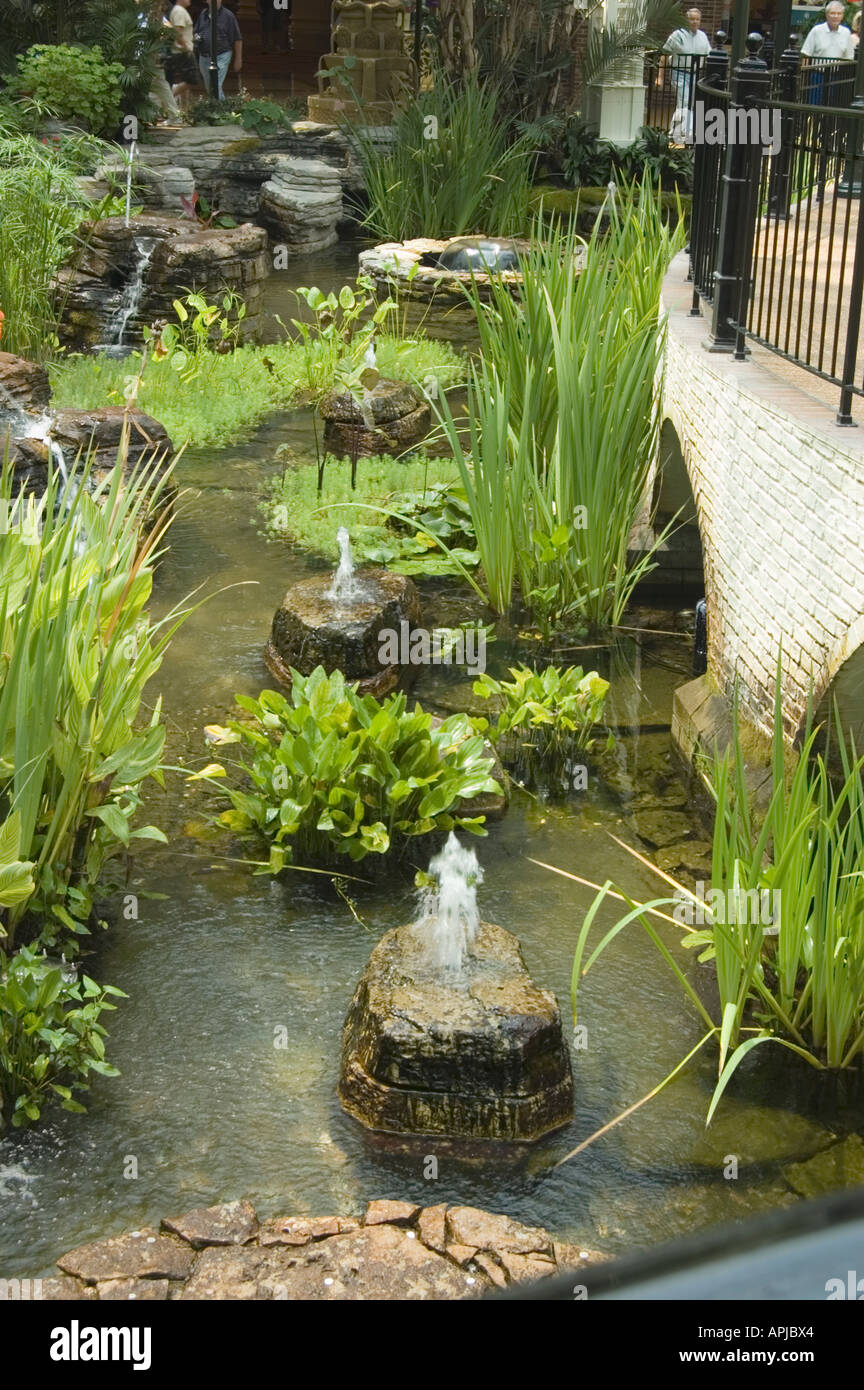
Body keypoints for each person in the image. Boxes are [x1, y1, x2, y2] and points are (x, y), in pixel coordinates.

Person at [657, 9, 711, 140]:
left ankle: (681, 132)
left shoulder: (703, 36)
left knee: (690, 103)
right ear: (686, 20)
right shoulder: (677, 35)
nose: (694, 22)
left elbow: (709, 55)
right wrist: (660, 77)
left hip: (695, 74)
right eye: (692, 19)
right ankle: (681, 133)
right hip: (679, 73)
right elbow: (664, 54)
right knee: (684, 102)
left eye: (697, 19)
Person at [195, 0, 243, 102]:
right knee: (210, 87)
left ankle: (222, 112)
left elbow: (237, 38)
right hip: (204, 56)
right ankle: (220, 110)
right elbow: (196, 32)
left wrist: (238, 59)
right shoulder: (203, 14)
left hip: (222, 54)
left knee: (215, 84)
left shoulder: (228, 16)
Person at [165, 0, 198, 110]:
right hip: (182, 52)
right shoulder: (179, 11)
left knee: (187, 79)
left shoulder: (179, 10)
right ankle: (168, 96)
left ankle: (183, 108)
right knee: (192, 80)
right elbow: (177, 33)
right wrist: (186, 48)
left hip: (181, 51)